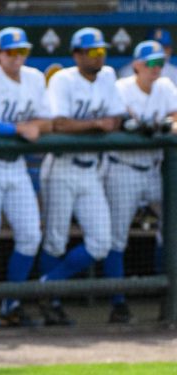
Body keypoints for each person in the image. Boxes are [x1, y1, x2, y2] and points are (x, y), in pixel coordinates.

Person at [38, 27, 125, 325]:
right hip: (61, 168)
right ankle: (53, 302)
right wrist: (95, 124)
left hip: (91, 170)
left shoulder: (109, 76)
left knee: (101, 241)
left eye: (102, 51)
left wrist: (100, 123)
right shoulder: (63, 79)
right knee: (55, 242)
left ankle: (48, 286)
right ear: (77, 54)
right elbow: (58, 124)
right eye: (93, 52)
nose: (99, 57)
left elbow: (115, 119)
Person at [0, 27, 51, 328]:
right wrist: (18, 129)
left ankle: (11, 303)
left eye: (22, 52)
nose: (17, 58)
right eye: (10, 52)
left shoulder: (35, 78)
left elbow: (46, 119)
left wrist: (33, 126)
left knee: (30, 235)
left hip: (16, 166)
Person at [104, 40, 177, 324]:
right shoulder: (121, 88)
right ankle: (117, 302)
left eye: (159, 63)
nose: (156, 69)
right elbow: (116, 121)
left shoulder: (166, 86)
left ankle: (167, 300)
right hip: (124, 168)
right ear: (136, 64)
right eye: (150, 64)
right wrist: (134, 126)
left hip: (155, 168)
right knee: (116, 238)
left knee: (171, 230)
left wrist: (166, 126)